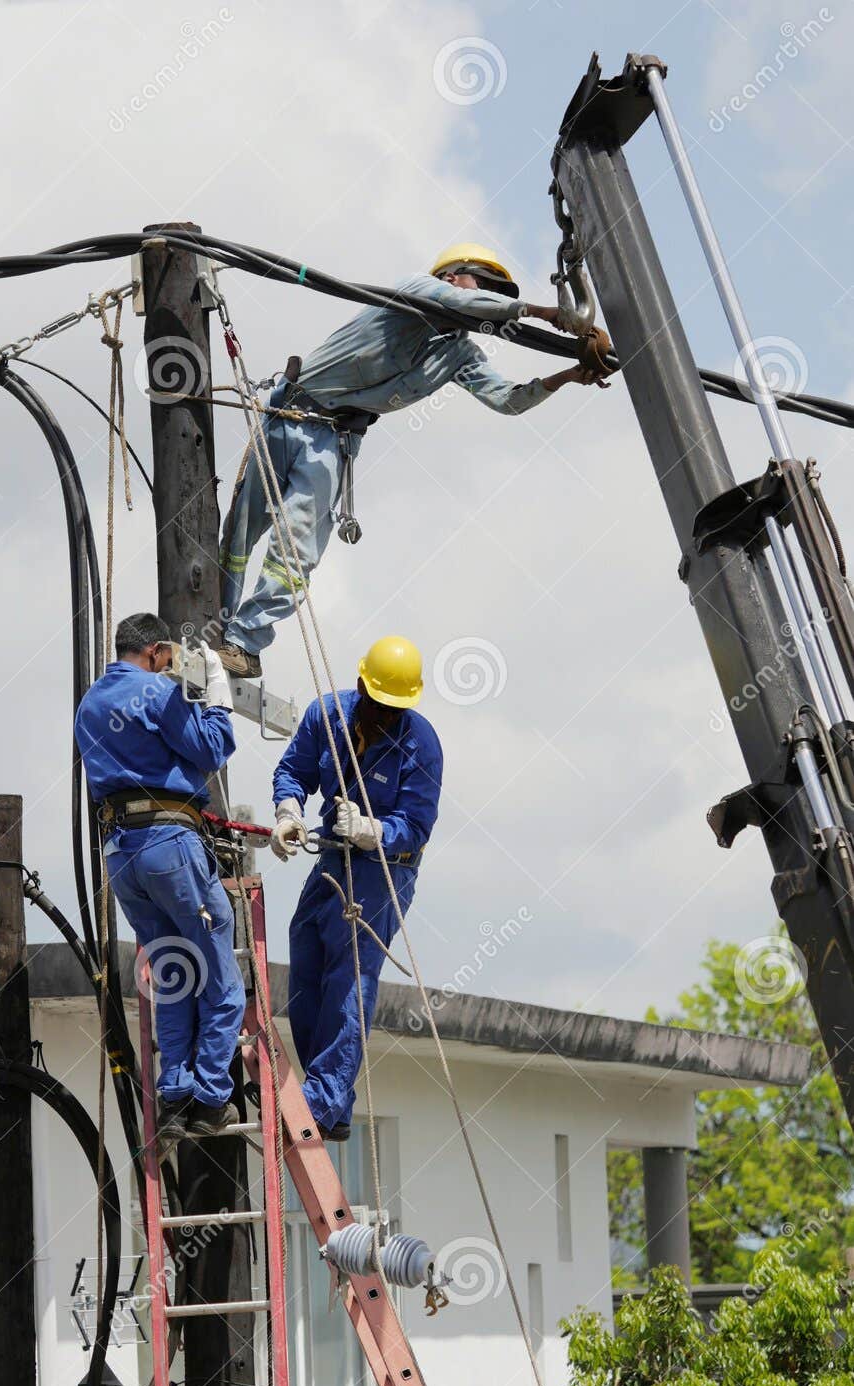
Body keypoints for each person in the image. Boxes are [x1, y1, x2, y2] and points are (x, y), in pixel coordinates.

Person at [216, 245, 607, 676]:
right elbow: (462, 305)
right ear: (452, 277)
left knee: (296, 551)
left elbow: (508, 400)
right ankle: (214, 622)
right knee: (240, 532)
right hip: (286, 411)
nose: (490, 301)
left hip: (332, 439)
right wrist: (545, 313)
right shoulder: (414, 290)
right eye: (487, 286)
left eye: (499, 293)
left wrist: (569, 376)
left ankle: (243, 642)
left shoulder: (458, 354)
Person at [74, 612, 245, 1147]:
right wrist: (215, 690)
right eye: (167, 660)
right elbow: (214, 749)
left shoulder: (89, 704)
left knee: (174, 975)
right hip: (168, 843)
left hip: (120, 853)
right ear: (152, 652)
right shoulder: (153, 692)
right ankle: (211, 1099)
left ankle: (174, 1098)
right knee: (219, 978)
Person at [269, 635, 442, 1140]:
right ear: (362, 684)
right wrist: (288, 814)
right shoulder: (327, 715)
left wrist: (371, 829)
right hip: (331, 856)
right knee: (305, 959)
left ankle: (321, 1100)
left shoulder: (420, 743)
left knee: (350, 974)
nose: (386, 715)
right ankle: (333, 1100)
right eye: (380, 703)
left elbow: (415, 825)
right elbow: (293, 771)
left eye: (396, 708)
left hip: (384, 870)